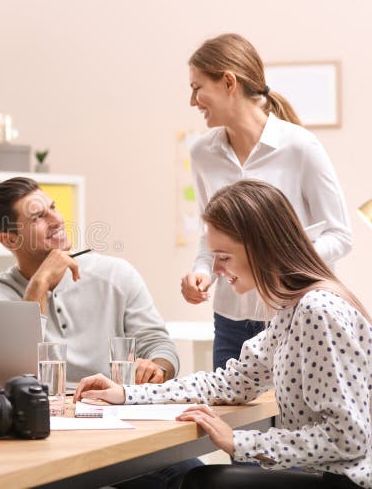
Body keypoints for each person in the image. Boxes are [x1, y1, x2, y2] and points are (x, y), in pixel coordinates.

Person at [76, 180, 371, 489]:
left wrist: (239, 442)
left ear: (261, 249)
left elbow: (348, 439)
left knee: (202, 482)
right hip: (328, 474)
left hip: (350, 481)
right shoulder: (291, 310)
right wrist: (126, 394)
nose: (215, 268)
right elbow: (231, 383)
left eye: (224, 256)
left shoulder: (316, 310)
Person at [180, 33, 352, 371]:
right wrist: (202, 272)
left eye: (197, 87)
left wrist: (278, 265)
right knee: (232, 421)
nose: (192, 100)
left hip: (295, 316)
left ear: (228, 82)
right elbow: (209, 235)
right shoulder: (202, 153)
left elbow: (340, 235)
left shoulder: (300, 147)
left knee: (292, 422)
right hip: (230, 323)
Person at [0, 177, 179, 385]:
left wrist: (158, 367)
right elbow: (14, 379)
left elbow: (159, 344)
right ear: (10, 239)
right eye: (38, 217)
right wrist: (39, 284)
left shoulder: (116, 274)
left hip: (113, 406)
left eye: (53, 207)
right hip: (41, 411)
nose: (57, 220)